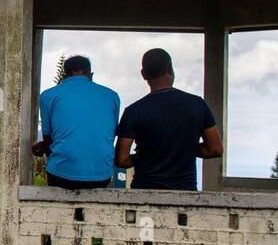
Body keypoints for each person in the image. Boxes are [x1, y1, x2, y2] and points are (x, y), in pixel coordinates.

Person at [114, 49, 222, 190]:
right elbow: (215, 149)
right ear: (170, 69)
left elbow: (121, 160)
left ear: (143, 74)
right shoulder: (197, 104)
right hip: (185, 192)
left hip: (144, 191)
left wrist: (146, 153)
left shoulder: (133, 111)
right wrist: (184, 148)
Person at [32, 54, 120, 189]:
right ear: (90, 74)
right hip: (101, 175)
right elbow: (109, 135)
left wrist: (43, 147)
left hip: (61, 175)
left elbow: (49, 139)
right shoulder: (112, 96)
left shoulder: (48, 95)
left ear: (65, 75)